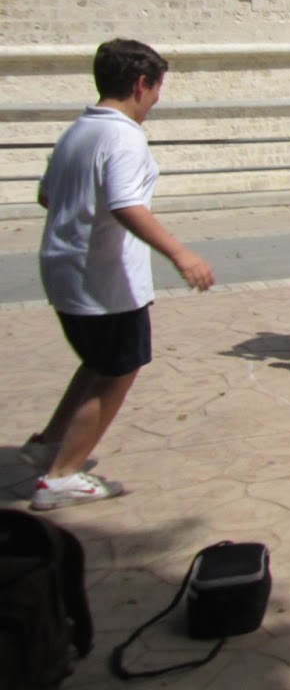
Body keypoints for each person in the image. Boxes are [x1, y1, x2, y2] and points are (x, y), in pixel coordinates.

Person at [27, 39, 215, 511]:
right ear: (140, 83)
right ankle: (62, 475)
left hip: (64, 271)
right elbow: (126, 205)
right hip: (105, 280)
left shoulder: (77, 131)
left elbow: (48, 197)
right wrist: (180, 253)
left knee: (96, 360)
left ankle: (49, 442)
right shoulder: (124, 136)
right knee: (119, 369)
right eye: (156, 88)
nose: (156, 99)